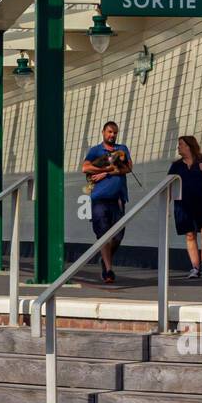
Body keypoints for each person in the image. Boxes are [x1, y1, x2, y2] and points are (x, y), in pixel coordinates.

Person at [81, 121, 133, 284]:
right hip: (99, 198)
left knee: (118, 236)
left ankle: (105, 259)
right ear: (103, 132)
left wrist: (106, 173)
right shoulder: (96, 150)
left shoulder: (122, 149)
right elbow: (86, 168)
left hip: (118, 198)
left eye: (115, 133)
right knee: (103, 234)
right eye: (109, 132)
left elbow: (128, 168)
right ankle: (108, 270)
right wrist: (109, 170)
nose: (112, 135)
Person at [167, 135, 202, 278]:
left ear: (189, 146)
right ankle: (195, 267)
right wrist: (166, 207)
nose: (178, 147)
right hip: (183, 205)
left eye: (180, 144)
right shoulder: (176, 166)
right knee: (190, 234)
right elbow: (169, 187)